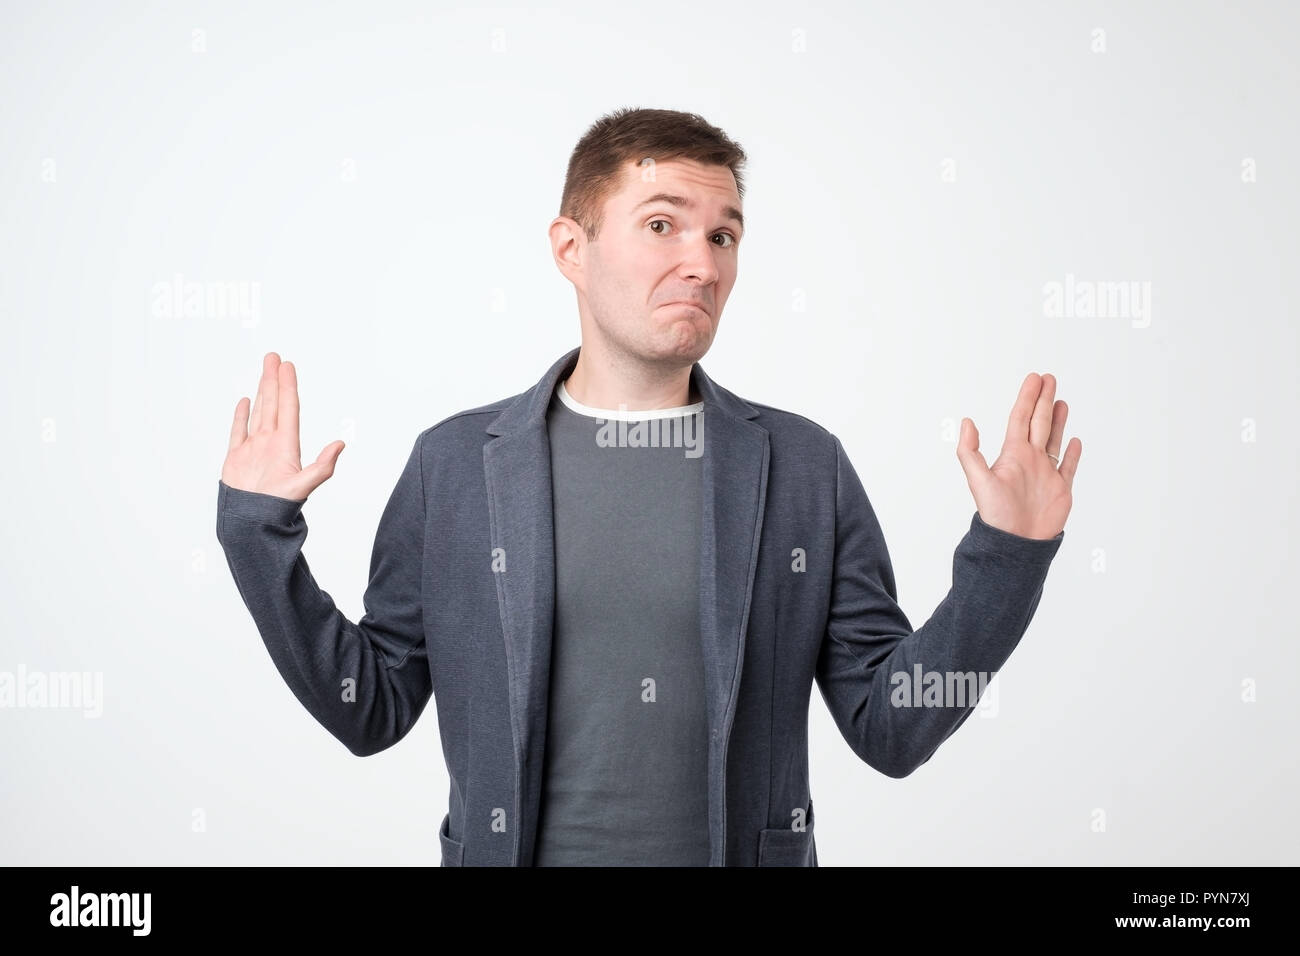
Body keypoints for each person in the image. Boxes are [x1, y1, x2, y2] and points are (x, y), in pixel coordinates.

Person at [215, 107, 1081, 867]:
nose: (701, 264)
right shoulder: (455, 468)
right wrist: (257, 540)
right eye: (662, 225)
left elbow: (894, 727)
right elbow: (371, 708)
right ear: (571, 248)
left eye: (723, 236)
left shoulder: (803, 467)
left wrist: (1009, 561)